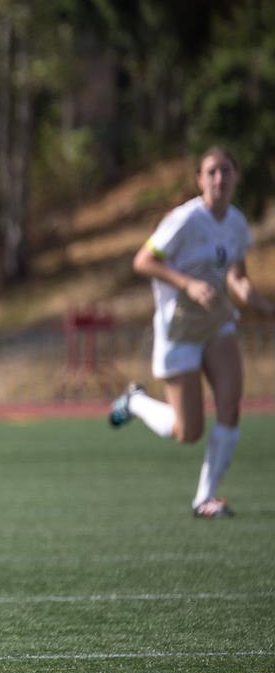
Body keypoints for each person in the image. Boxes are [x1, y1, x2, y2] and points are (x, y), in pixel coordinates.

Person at [108, 147, 273, 518]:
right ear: (199, 179)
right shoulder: (183, 220)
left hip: (216, 322)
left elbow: (237, 277)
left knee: (231, 406)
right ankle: (135, 401)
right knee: (188, 431)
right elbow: (142, 261)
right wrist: (188, 284)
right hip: (178, 328)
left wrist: (259, 303)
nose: (219, 178)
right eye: (211, 172)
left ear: (236, 177)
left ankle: (205, 499)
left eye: (225, 171)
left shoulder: (236, 223)